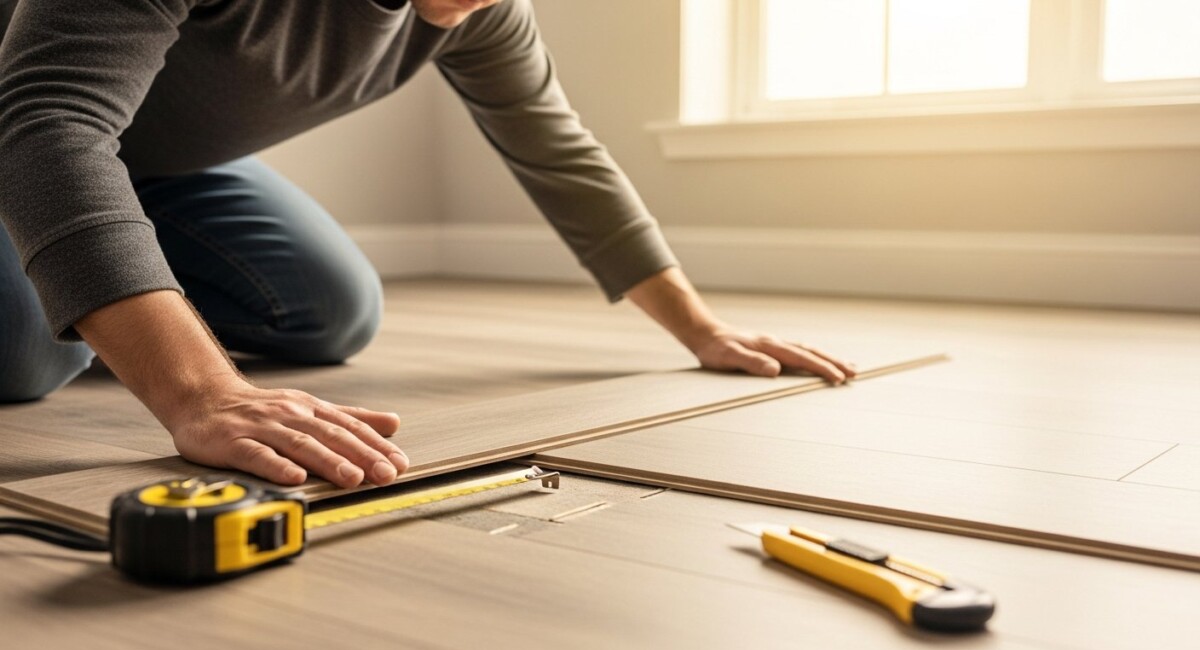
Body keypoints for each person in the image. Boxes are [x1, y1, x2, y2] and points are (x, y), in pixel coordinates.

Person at [0, 0, 855, 489]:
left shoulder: (480, 13)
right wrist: (197, 388)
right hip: (23, 134)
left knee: (331, 310)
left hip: (155, 160)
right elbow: (48, 126)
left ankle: (104, 273)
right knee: (27, 357)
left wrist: (701, 328)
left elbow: (559, 152)